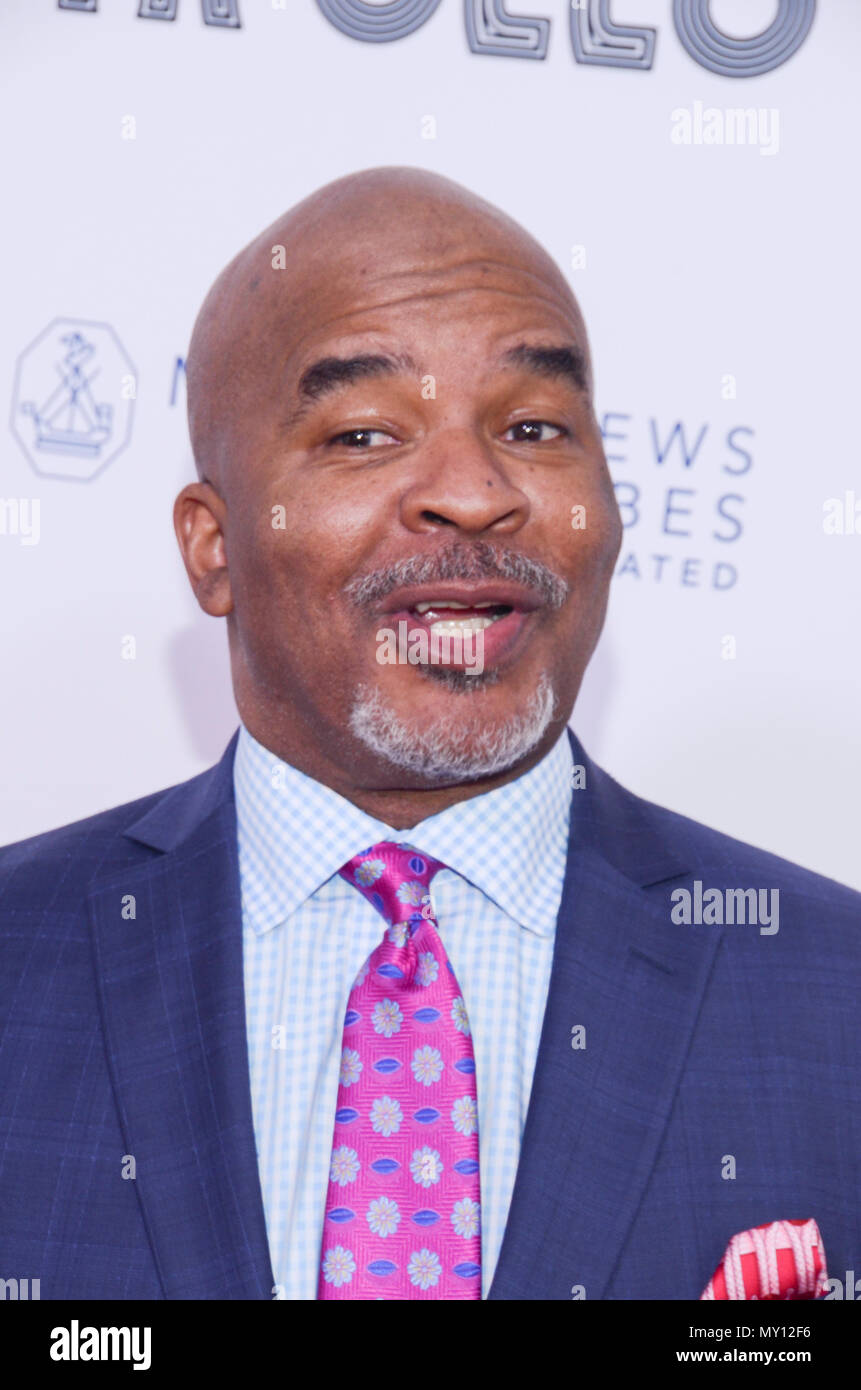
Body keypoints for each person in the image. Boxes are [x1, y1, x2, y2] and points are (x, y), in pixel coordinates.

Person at [1, 167, 857, 1301]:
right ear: (214, 548)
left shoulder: (829, 990)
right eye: (363, 434)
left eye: (534, 425)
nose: (473, 490)